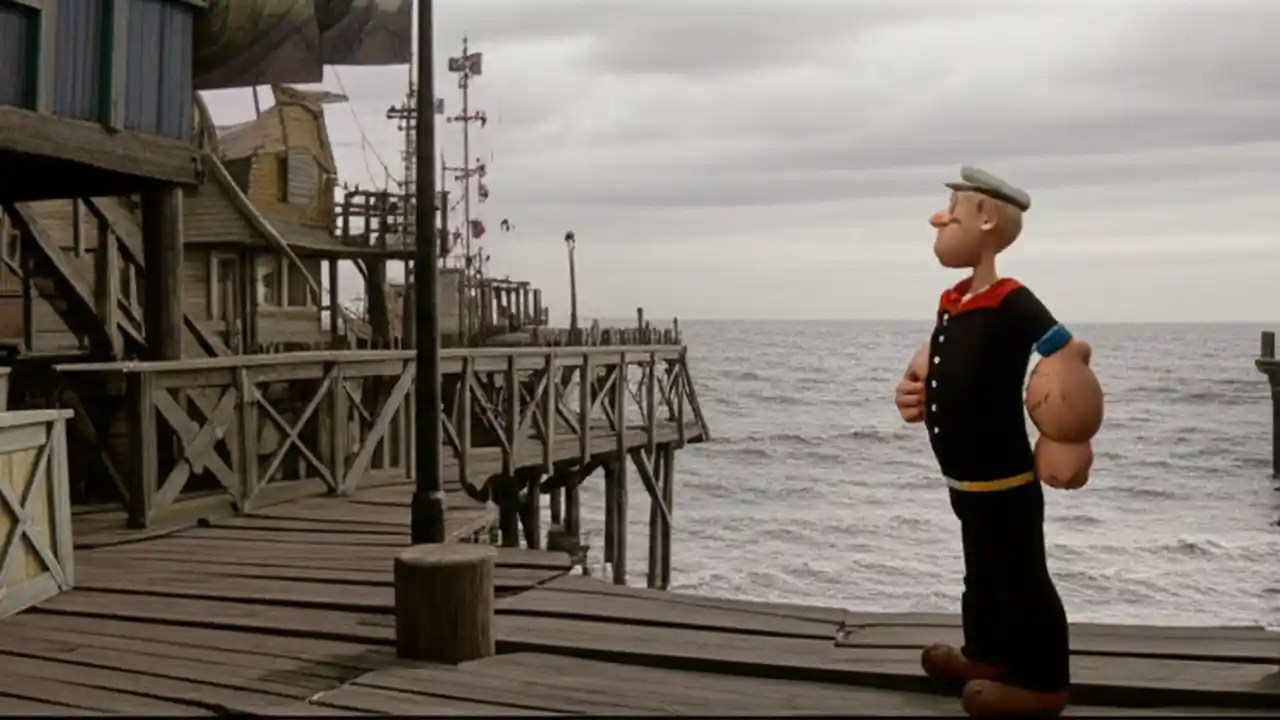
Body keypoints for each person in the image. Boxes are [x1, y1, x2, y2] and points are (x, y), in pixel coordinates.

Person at [893, 166, 1103, 717]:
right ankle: (985, 653)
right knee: (980, 571)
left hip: (1005, 475)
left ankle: (1041, 681)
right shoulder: (954, 299)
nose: (940, 222)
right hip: (963, 477)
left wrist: (1068, 431)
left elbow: (1064, 350)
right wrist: (915, 388)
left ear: (986, 221)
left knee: (1021, 574)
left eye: (953, 216)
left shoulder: (1013, 299)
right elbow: (944, 357)